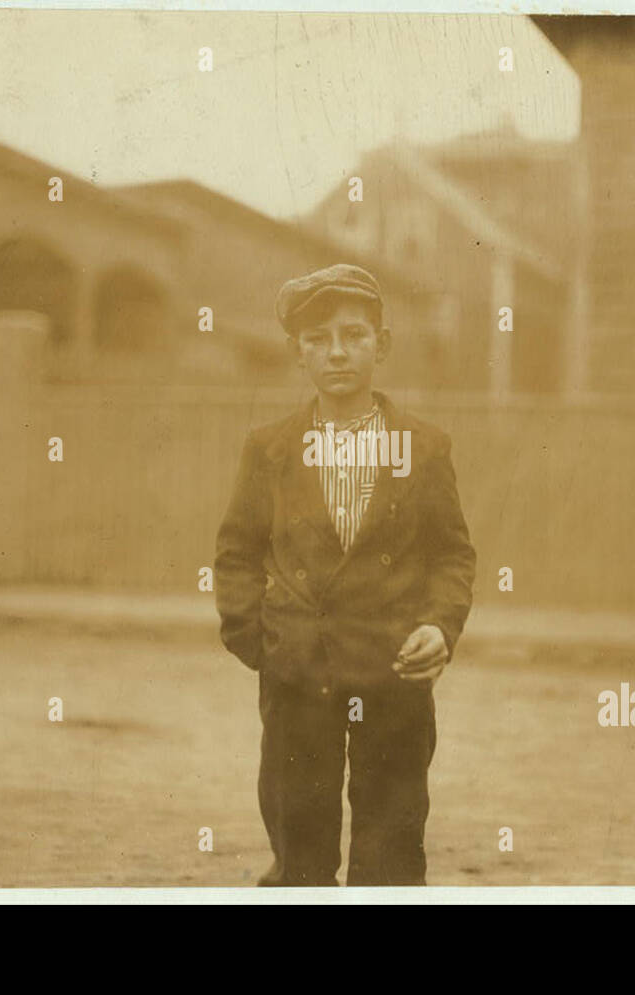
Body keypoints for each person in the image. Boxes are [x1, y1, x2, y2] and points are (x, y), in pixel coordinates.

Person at [214, 263, 476, 886]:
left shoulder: (424, 445)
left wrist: (440, 628)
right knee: (299, 844)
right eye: (318, 338)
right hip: (299, 676)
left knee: (391, 848)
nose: (337, 352)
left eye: (355, 335)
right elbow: (236, 553)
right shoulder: (270, 448)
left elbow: (452, 555)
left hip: (392, 675)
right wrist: (263, 643)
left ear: (381, 346)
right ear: (297, 353)